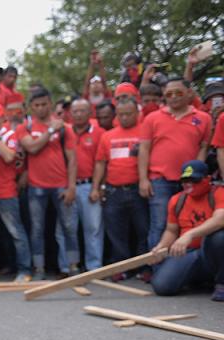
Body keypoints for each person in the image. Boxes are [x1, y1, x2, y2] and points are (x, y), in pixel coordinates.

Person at [138, 76, 212, 249]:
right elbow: (144, 149)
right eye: (169, 93)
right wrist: (143, 179)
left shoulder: (203, 118)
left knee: (191, 223)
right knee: (159, 225)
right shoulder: (152, 118)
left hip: (191, 180)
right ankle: (158, 271)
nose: (173, 96)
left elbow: (204, 147)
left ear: (189, 93)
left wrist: (197, 172)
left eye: (178, 92)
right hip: (159, 180)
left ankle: (186, 268)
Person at [18, 87, 80, 280]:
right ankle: (39, 269)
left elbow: (72, 159)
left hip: (61, 185)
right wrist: (51, 130)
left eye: (44, 104)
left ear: (50, 104)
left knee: (68, 227)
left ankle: (73, 266)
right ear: (31, 107)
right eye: (36, 105)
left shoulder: (66, 129)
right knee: (37, 229)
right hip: (36, 187)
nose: (41, 108)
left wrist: (71, 187)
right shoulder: (25, 128)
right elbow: (32, 148)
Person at [149, 160, 224, 301]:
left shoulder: (219, 193)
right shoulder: (176, 200)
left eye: (194, 180)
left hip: (210, 251)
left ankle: (222, 283)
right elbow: (171, 231)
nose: (188, 184)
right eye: (185, 180)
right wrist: (161, 247)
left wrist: (190, 234)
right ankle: (201, 280)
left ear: (207, 179)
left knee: (219, 237)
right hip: (189, 252)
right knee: (162, 286)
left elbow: (220, 219)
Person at [93, 98, 149, 275]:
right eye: (121, 114)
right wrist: (96, 187)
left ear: (137, 113)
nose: (124, 118)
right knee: (116, 232)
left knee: (143, 229)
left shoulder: (145, 133)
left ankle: (144, 267)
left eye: (128, 114)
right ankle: (121, 268)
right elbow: (101, 163)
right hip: (113, 190)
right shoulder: (107, 136)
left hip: (137, 189)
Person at [0, 102, 31, 282]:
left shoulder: (8, 134)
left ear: (2, 119)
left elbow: (9, 156)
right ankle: (8, 266)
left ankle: (25, 269)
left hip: (6, 190)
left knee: (16, 231)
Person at [67, 98, 104, 271]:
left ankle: (94, 267)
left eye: (83, 111)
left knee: (93, 229)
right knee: (68, 229)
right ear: (70, 113)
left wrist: (96, 187)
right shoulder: (65, 132)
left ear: (90, 113)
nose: (79, 114)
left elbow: (101, 162)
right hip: (68, 187)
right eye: (75, 111)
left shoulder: (99, 133)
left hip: (89, 186)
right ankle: (69, 267)